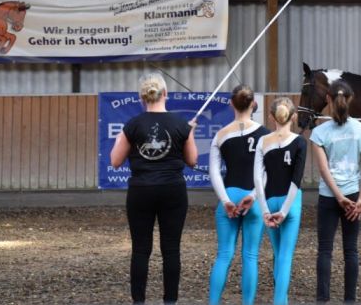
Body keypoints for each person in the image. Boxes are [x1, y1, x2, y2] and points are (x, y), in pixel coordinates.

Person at [110, 72, 198, 304]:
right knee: (171, 249)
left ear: (142, 97)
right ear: (166, 94)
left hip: (141, 191)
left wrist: (124, 135)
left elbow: (115, 161)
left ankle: (139, 301)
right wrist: (190, 133)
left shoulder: (133, 125)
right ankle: (170, 301)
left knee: (140, 249)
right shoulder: (181, 124)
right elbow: (192, 161)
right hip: (173, 191)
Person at [309, 80, 361, 303]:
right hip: (354, 196)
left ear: (328, 99)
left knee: (325, 249)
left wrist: (337, 196)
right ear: (351, 99)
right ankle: (349, 300)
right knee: (351, 250)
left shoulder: (318, 132)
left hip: (329, 196)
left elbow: (324, 169)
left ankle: (322, 299)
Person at [208, 85, 270, 305]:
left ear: (231, 103)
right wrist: (254, 196)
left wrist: (225, 200)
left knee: (224, 255)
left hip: (230, 193)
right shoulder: (266, 135)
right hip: (253, 199)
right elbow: (266, 173)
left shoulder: (221, 135)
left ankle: (213, 302)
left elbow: (214, 172)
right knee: (250, 256)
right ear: (253, 104)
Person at [253, 97, 307, 305]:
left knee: (277, 253)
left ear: (271, 117)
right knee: (285, 257)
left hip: (269, 200)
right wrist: (284, 211)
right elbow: (296, 180)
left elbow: (258, 178)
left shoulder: (263, 141)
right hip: (290, 203)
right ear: (293, 117)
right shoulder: (300, 142)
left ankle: (282, 300)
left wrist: (265, 209)